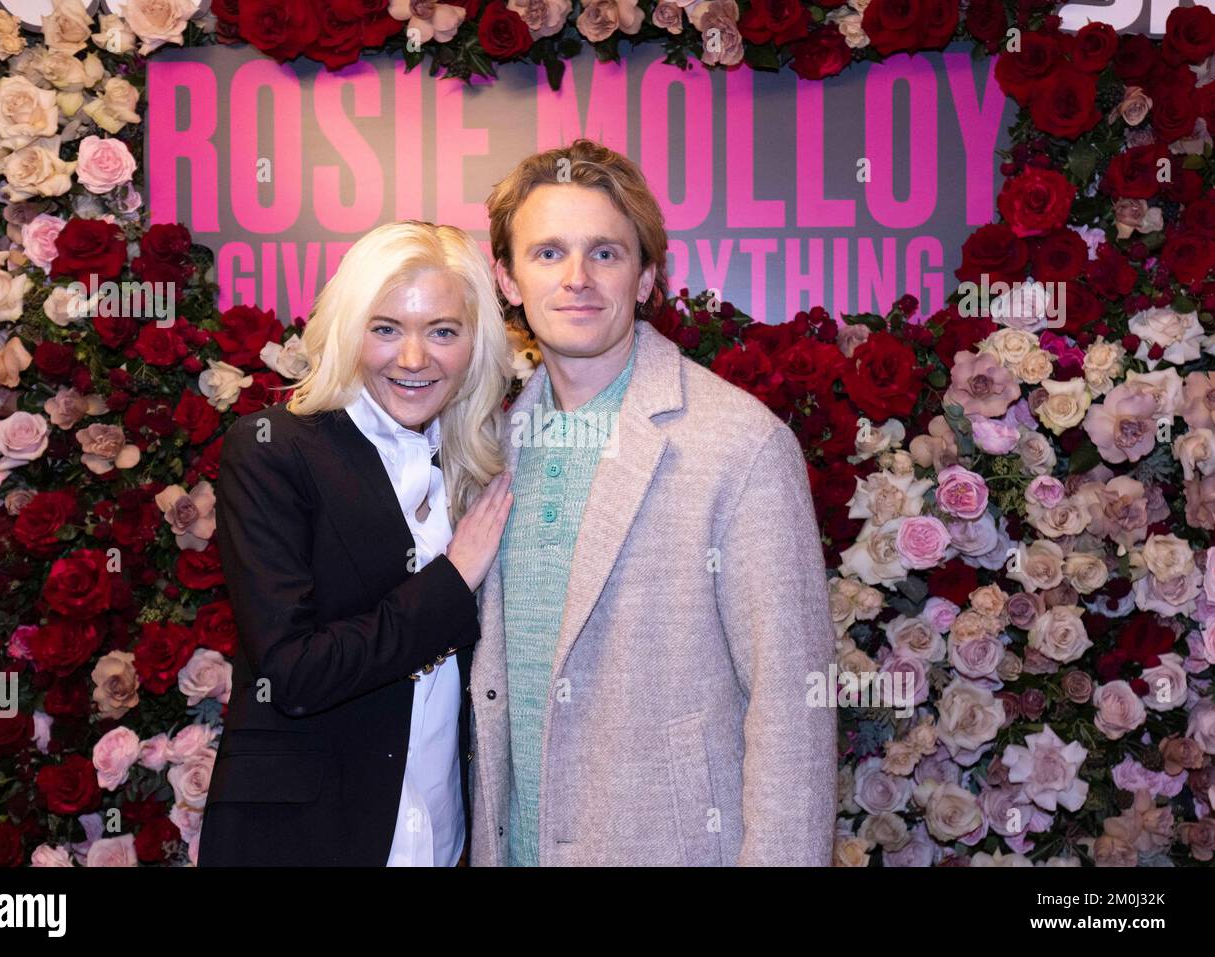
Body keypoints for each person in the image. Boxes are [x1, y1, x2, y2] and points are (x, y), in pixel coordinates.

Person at [467, 139, 838, 866]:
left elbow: (794, 703)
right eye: (547, 254)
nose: (577, 279)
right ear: (507, 280)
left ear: (645, 278)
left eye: (605, 252)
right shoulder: (489, 446)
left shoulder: (740, 443)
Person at [197, 221, 513, 866]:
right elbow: (295, 672)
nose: (414, 358)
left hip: (449, 829)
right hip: (311, 837)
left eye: (444, 331)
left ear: (476, 344)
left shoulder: (484, 464)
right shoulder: (275, 451)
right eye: (386, 328)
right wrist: (453, 580)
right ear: (347, 331)